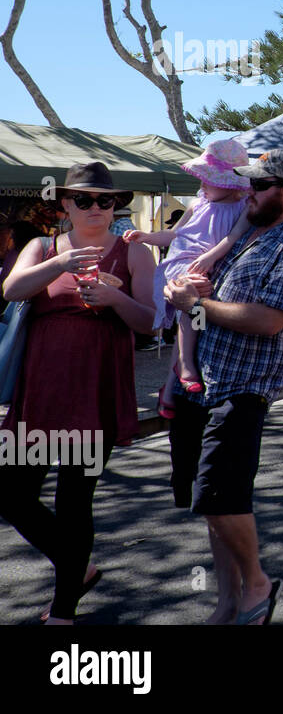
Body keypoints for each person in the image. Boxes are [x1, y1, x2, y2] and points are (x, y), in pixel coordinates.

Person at [162, 149, 283, 625]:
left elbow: (269, 321)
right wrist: (184, 310)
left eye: (257, 186)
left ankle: (257, 582)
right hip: (203, 384)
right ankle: (228, 602)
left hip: (244, 386)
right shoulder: (251, 232)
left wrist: (198, 304)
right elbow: (201, 294)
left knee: (219, 495)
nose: (247, 194)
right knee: (212, 505)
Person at [0, 162, 157, 624]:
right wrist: (60, 264)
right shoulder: (43, 246)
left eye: (104, 200)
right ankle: (77, 567)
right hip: (41, 391)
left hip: (95, 389)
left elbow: (149, 321)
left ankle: (64, 609)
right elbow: (11, 290)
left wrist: (116, 300)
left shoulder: (133, 253)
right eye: (84, 199)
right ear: (66, 204)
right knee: (9, 493)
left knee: (74, 500)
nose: (95, 207)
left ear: (115, 206)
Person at [124, 139, 253, 415]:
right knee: (191, 301)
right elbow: (175, 235)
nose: (202, 184)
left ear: (229, 182)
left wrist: (209, 258)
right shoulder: (198, 203)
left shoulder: (244, 208)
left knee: (197, 311)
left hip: (210, 264)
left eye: (208, 178)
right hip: (184, 263)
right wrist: (146, 236)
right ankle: (185, 366)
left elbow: (233, 238)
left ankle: (172, 383)